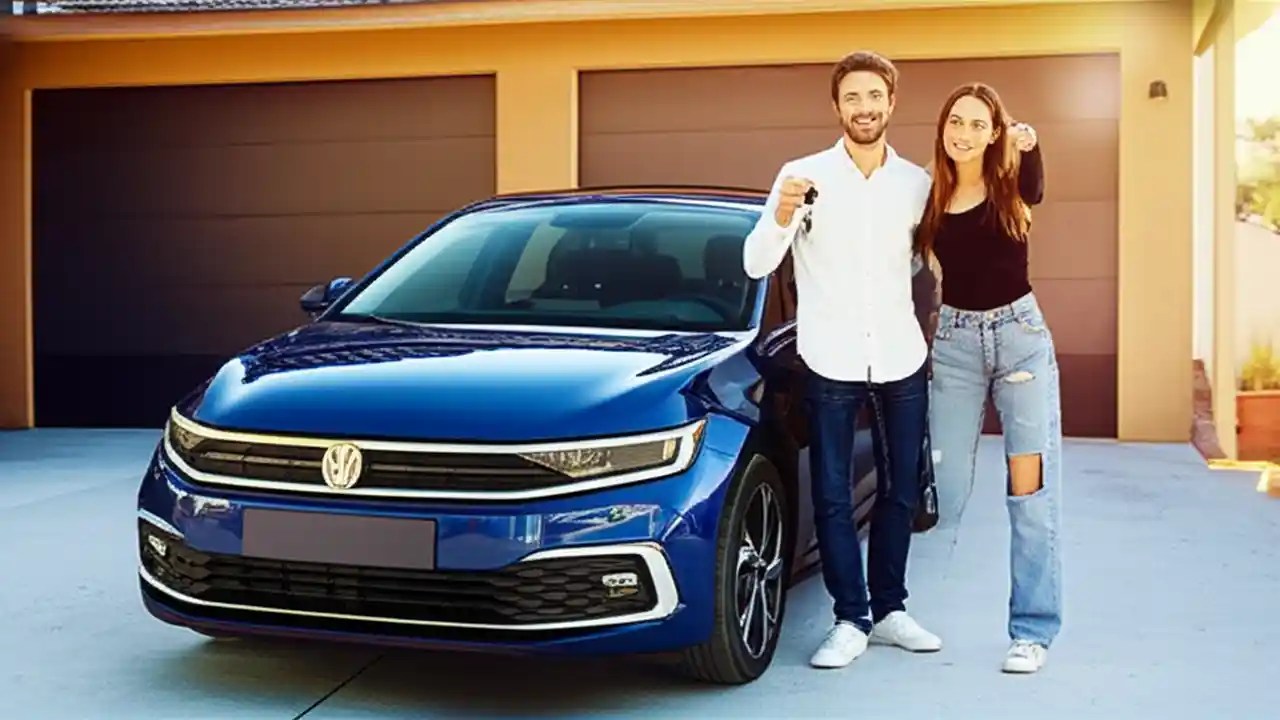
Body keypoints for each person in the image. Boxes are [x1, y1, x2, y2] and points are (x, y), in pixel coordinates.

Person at [742, 50, 941, 669]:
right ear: (837, 107)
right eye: (852, 98)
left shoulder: (916, 183)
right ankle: (849, 618)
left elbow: (939, 258)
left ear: (891, 102)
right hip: (829, 359)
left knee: (900, 488)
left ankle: (889, 610)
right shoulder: (800, 175)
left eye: (874, 96)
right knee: (830, 494)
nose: (864, 108)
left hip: (901, 356)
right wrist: (779, 216)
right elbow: (755, 261)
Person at [913, 82, 1062, 674]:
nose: (964, 133)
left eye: (978, 124)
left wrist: (1031, 143)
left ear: (995, 131)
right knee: (940, 492)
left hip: (1021, 346)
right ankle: (892, 613)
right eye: (956, 121)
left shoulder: (1010, 181)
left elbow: (1037, 187)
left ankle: (1032, 632)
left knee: (1029, 494)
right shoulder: (926, 192)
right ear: (943, 126)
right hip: (953, 346)